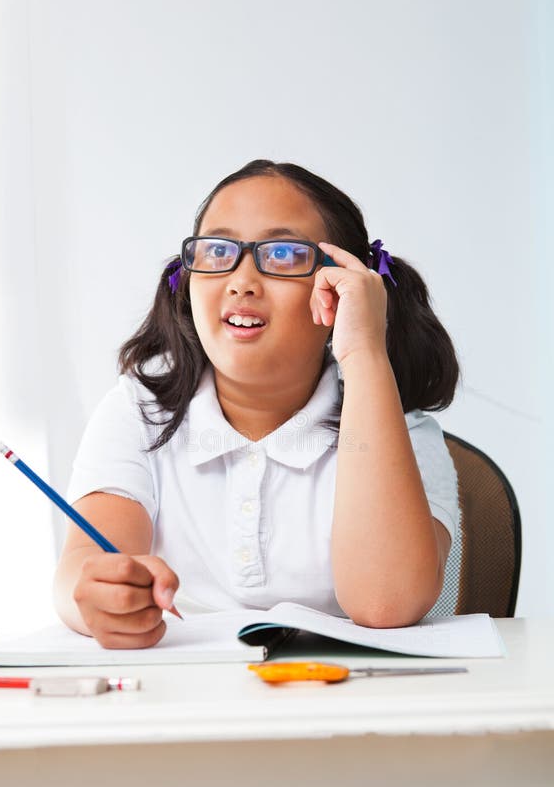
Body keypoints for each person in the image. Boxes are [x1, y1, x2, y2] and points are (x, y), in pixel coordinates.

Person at [53, 158, 461, 649]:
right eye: (218, 250)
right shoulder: (139, 413)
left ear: (342, 286)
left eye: (284, 253)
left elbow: (386, 604)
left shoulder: (403, 432)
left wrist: (365, 351)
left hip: (341, 700)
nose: (241, 281)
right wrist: (95, 595)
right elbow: (82, 568)